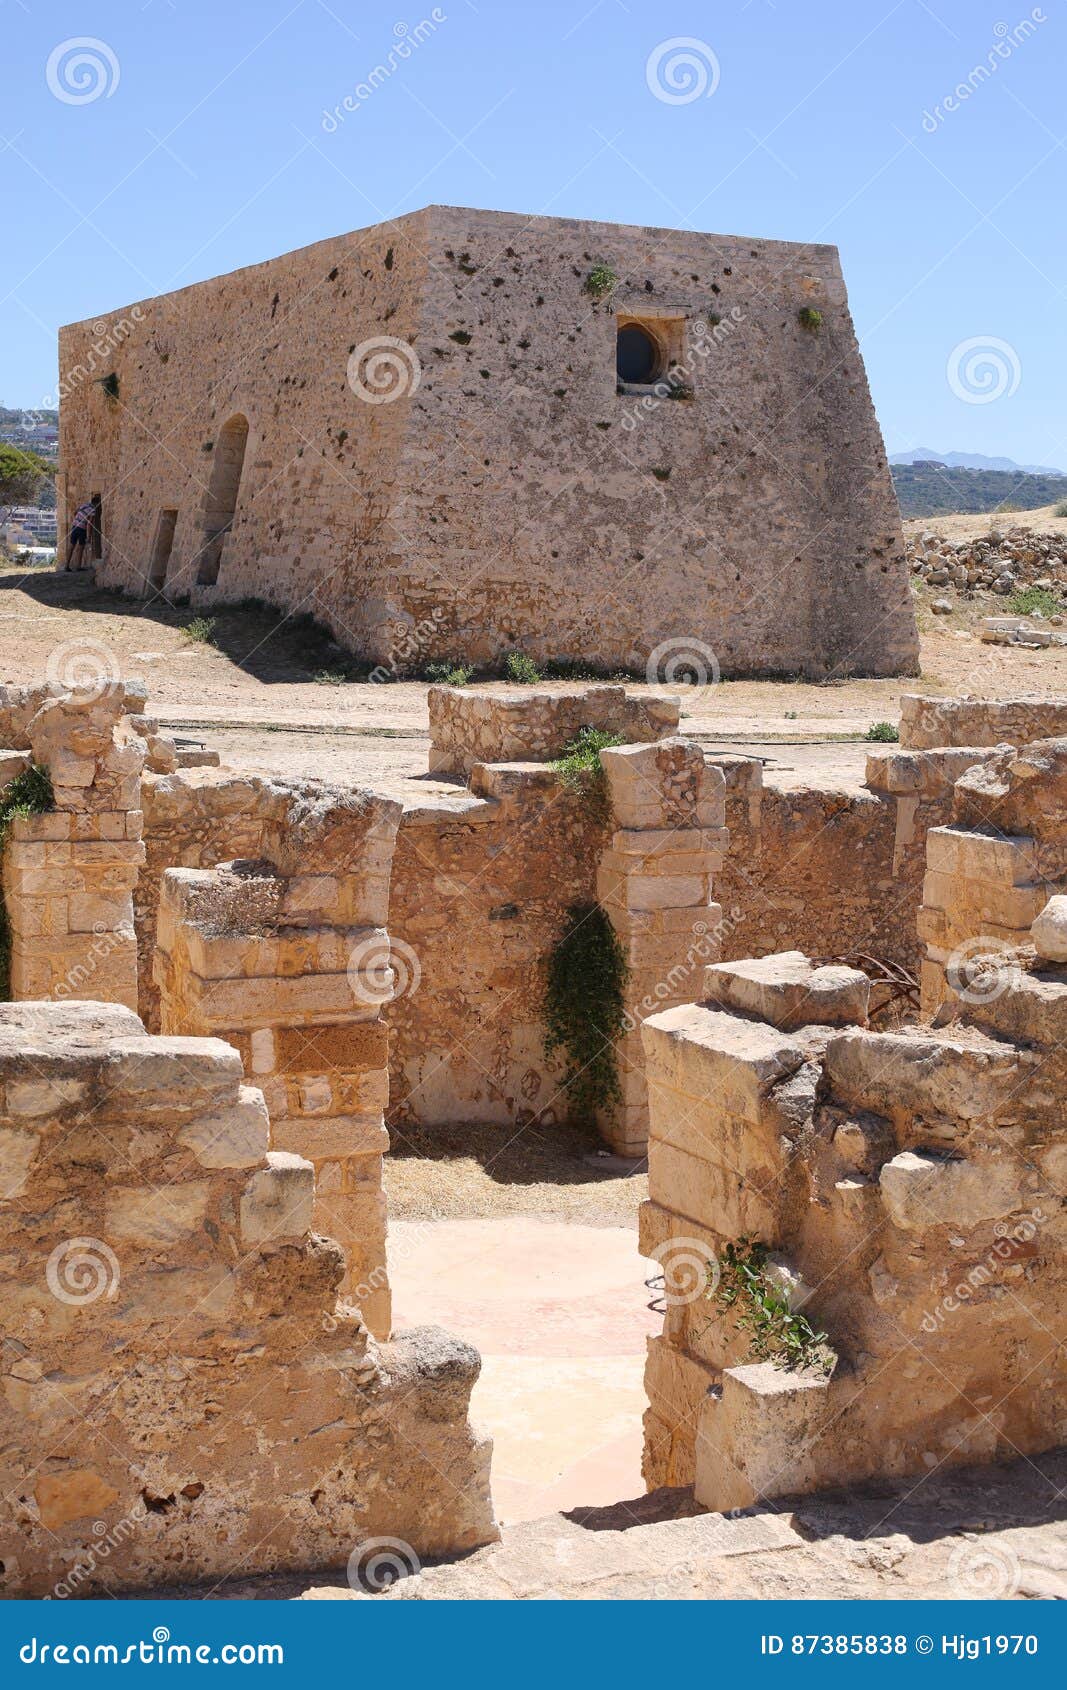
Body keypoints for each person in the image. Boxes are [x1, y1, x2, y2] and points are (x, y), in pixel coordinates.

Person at [66, 499, 95, 570]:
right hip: (82, 529)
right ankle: (78, 566)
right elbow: (89, 524)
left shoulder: (84, 505)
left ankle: (66, 565)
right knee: (80, 547)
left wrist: (77, 519)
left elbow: (74, 512)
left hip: (74, 526)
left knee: (71, 546)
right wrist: (89, 536)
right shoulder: (93, 510)